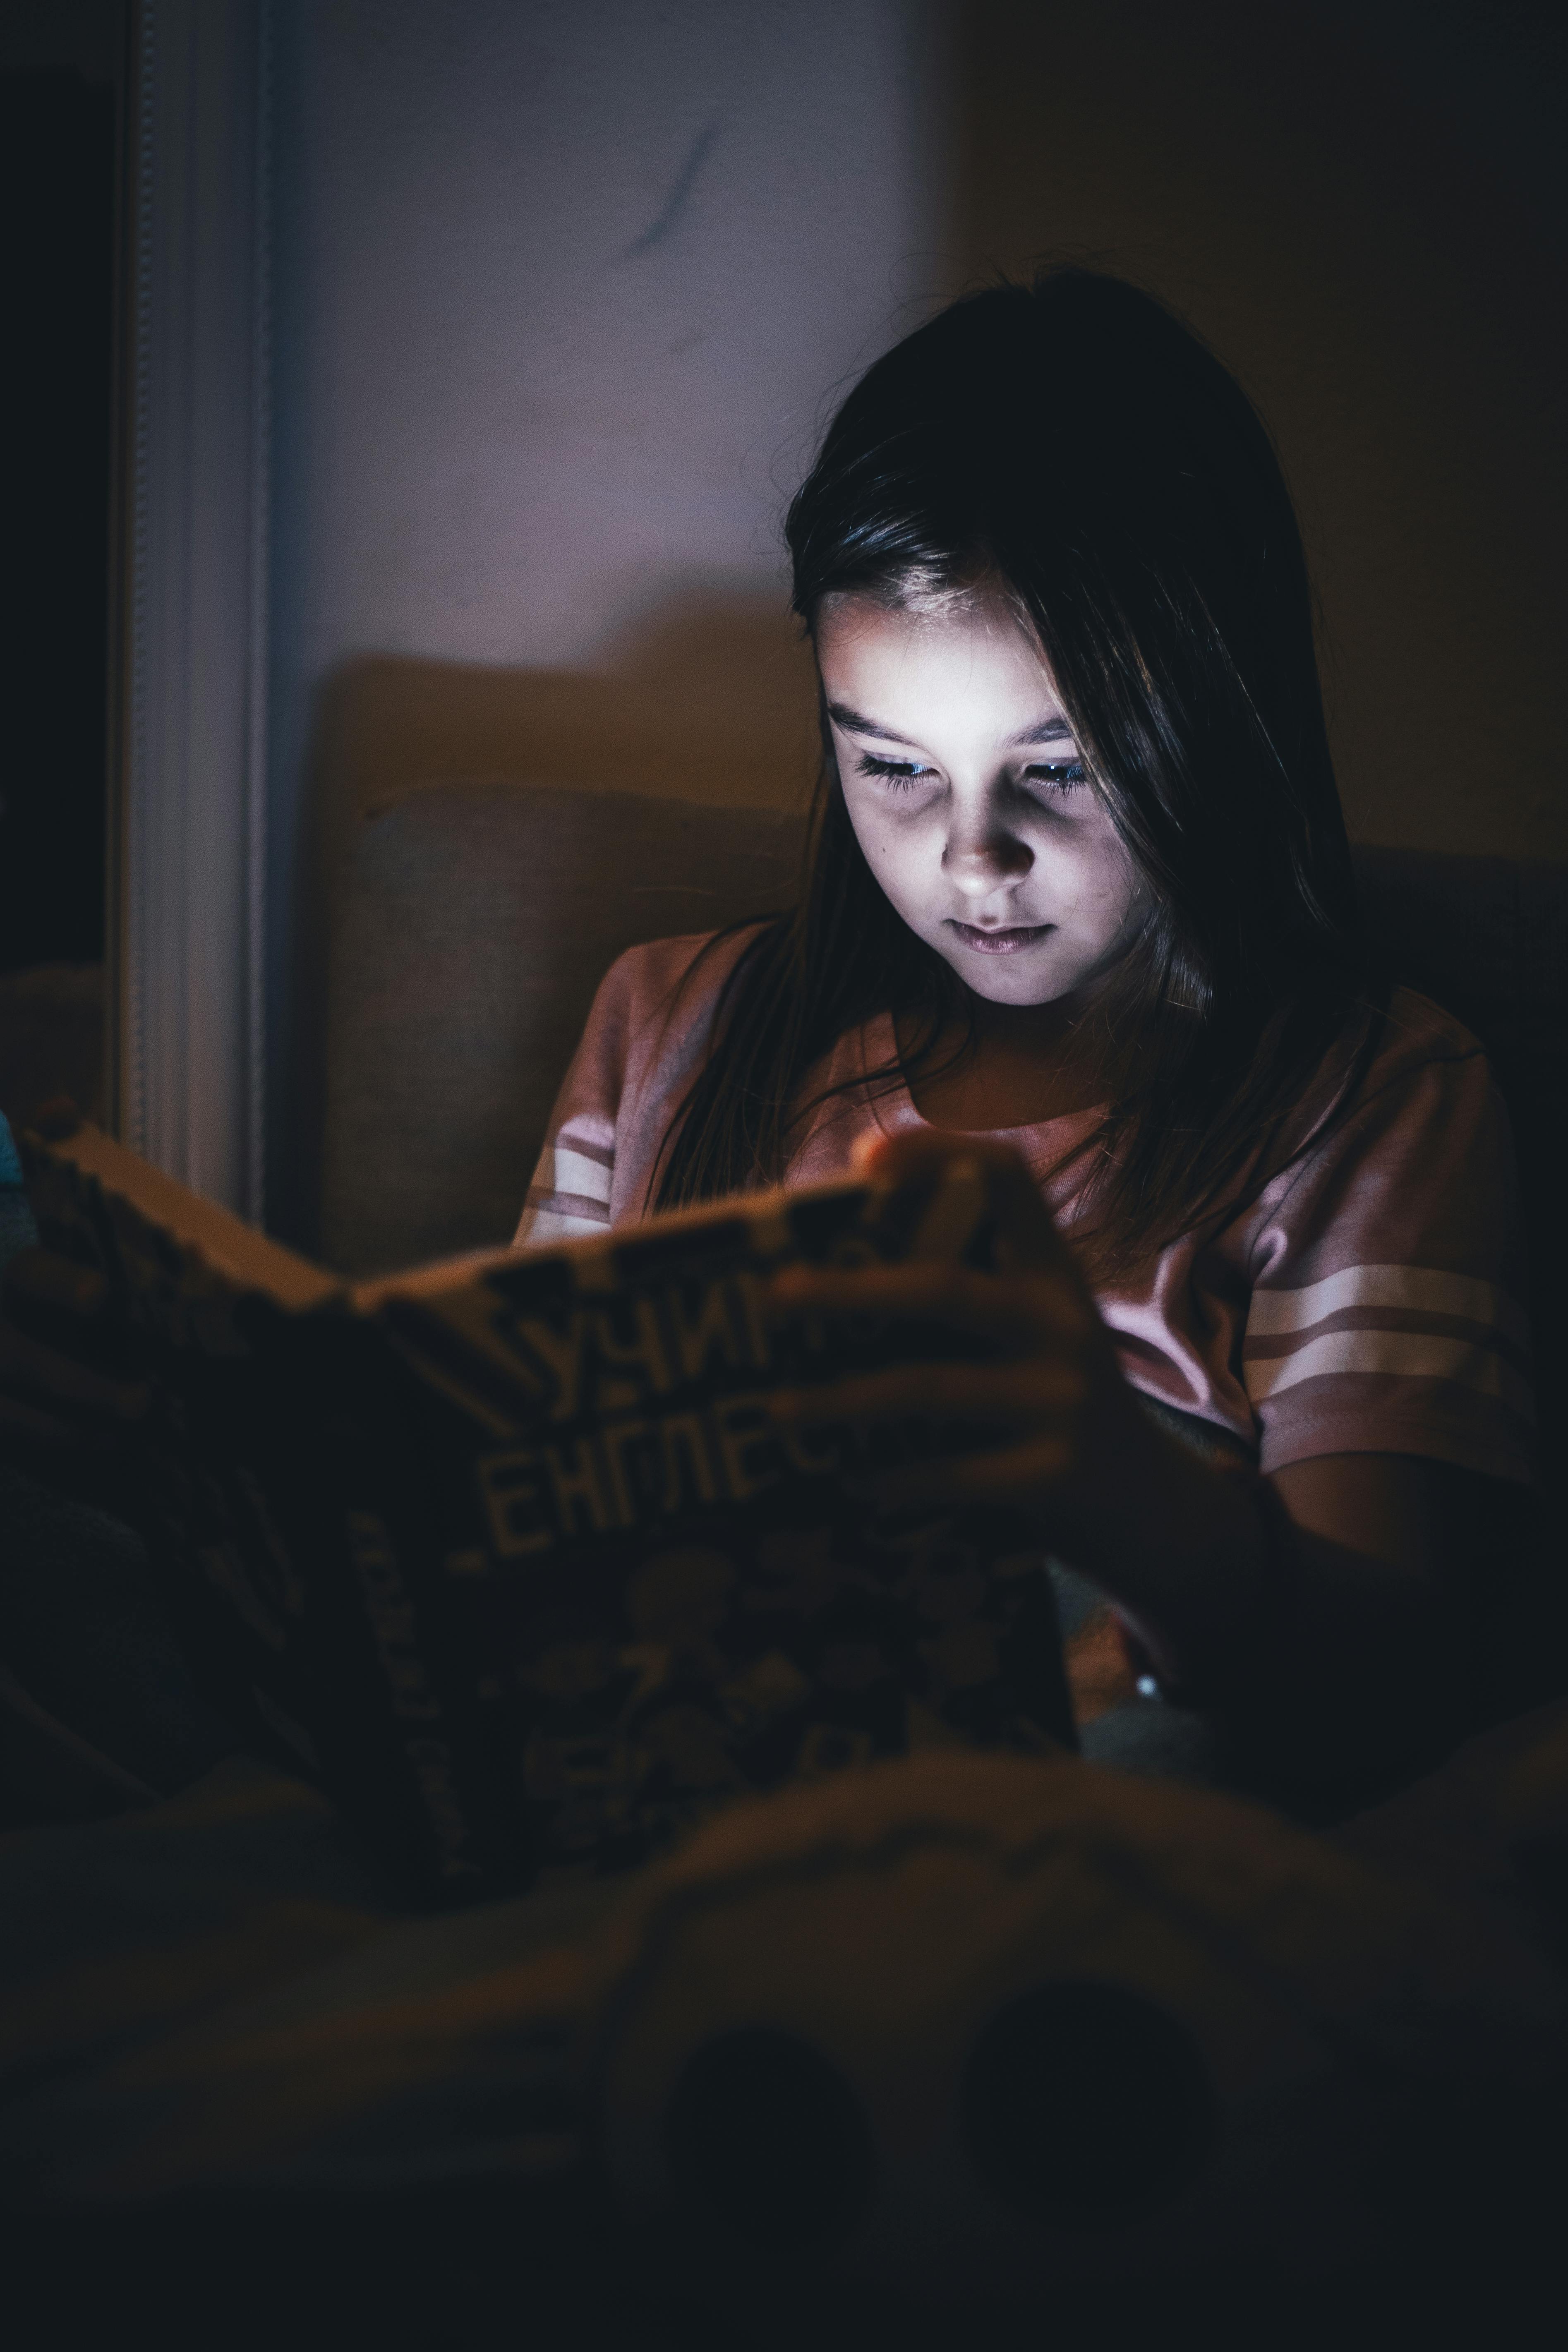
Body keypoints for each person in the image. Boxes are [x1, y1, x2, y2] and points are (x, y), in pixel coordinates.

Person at [527, 270, 1532, 1805]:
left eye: (1060, 770)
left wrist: (1135, 1502)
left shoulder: (1370, 1097)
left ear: (1215, 721)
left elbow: (1394, 1702)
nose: (972, 859)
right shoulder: (668, 1031)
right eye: (893, 767)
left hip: (1073, 1873)